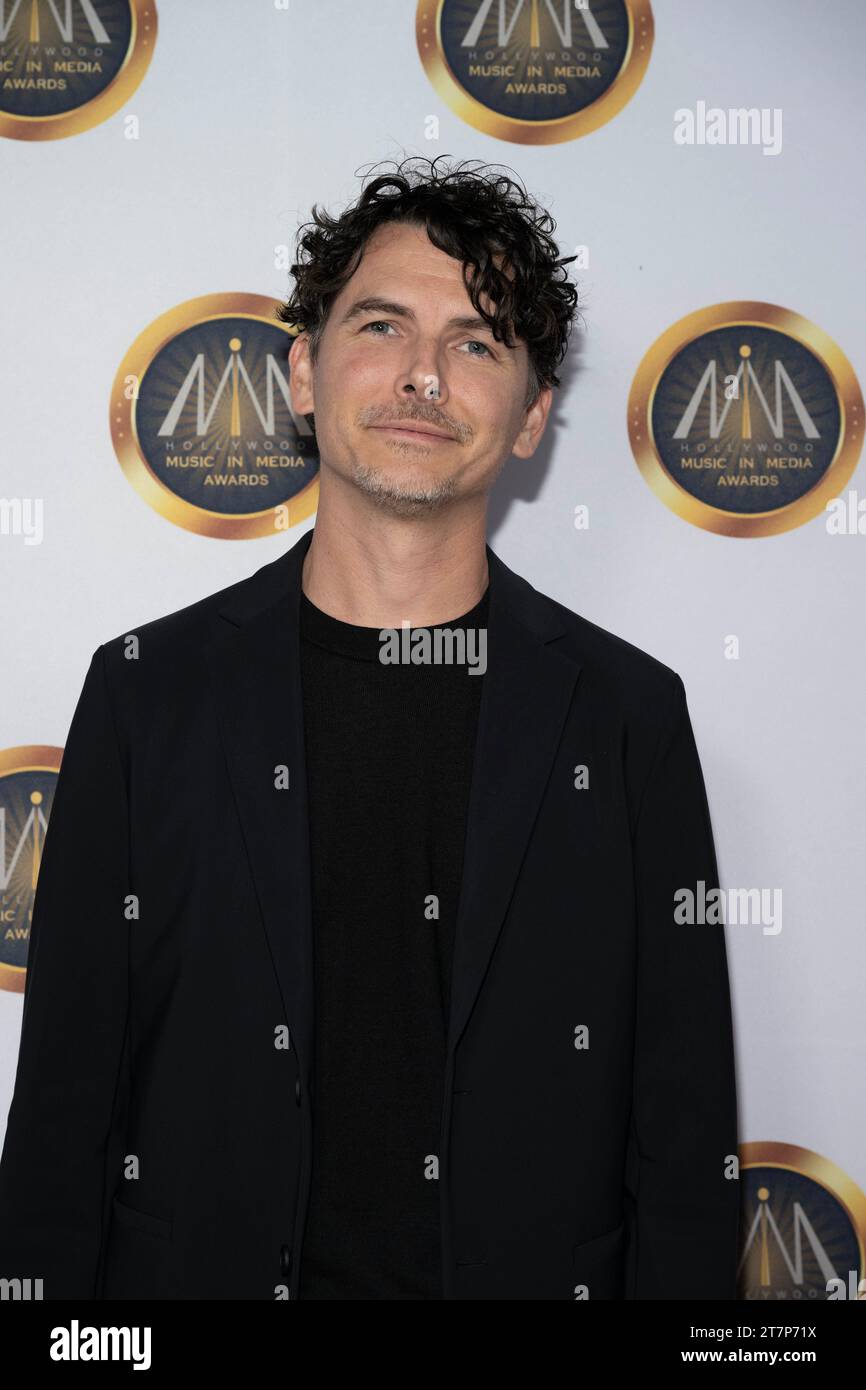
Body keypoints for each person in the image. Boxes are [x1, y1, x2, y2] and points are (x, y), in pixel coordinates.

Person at [0, 156, 738, 1300]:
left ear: (534, 413)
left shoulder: (628, 715)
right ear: (301, 371)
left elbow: (683, 1138)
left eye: (477, 343)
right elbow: (61, 1116)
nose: (424, 378)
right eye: (382, 325)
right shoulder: (149, 692)